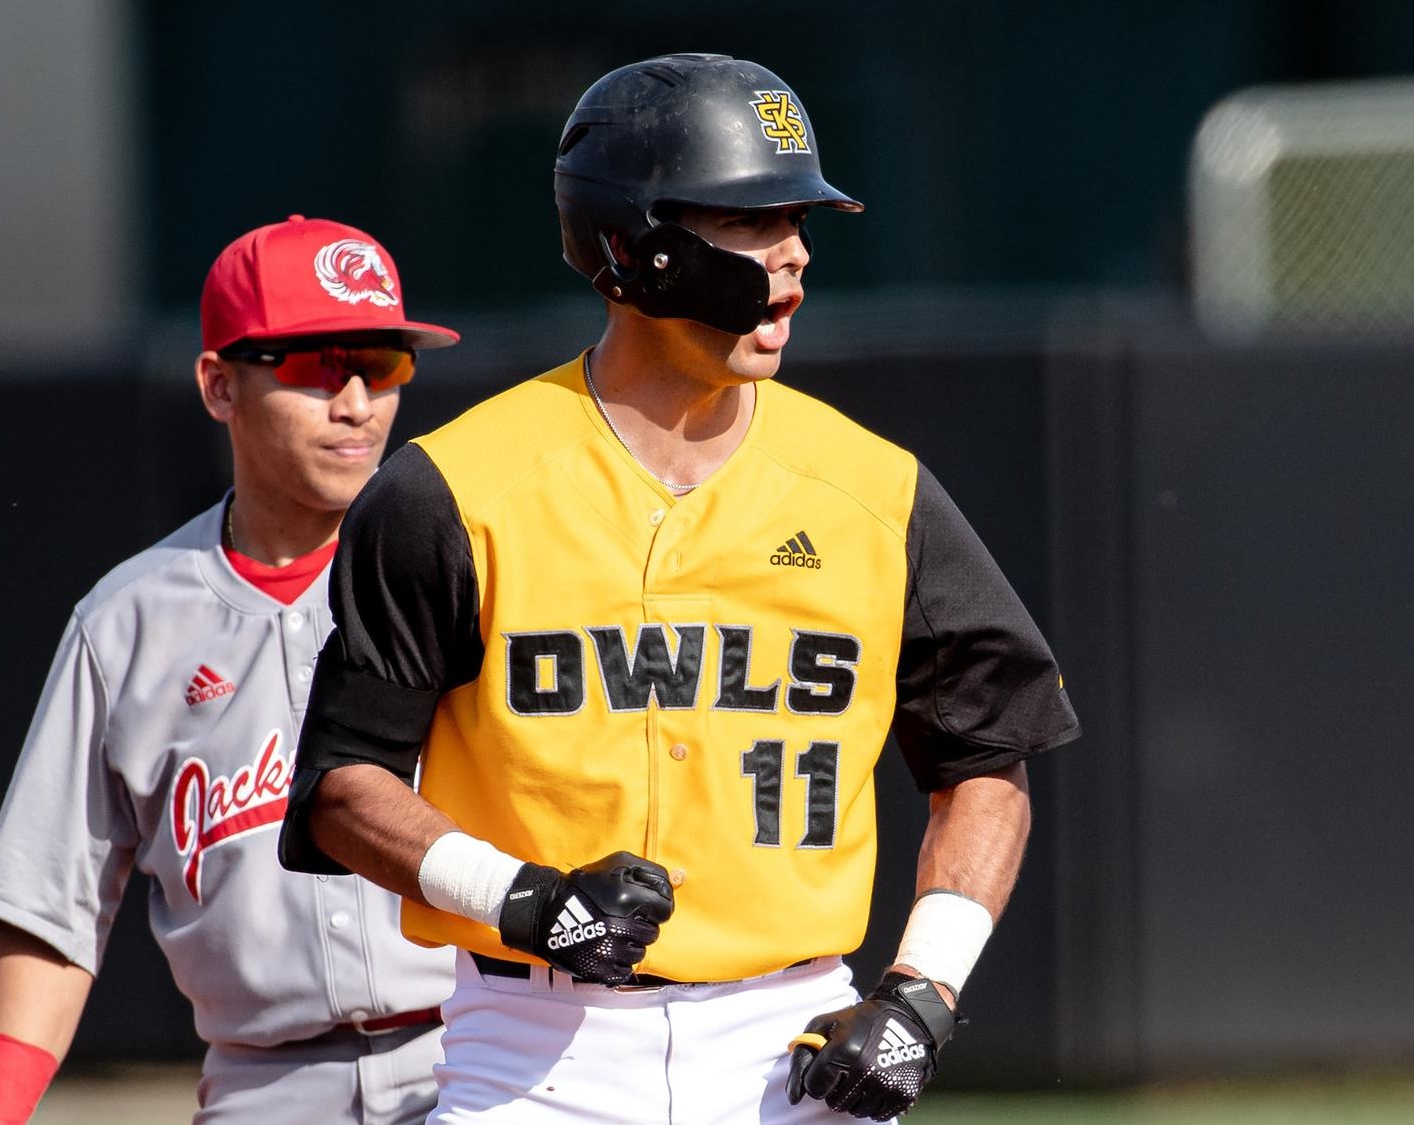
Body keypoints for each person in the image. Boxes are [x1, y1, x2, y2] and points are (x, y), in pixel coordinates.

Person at [279, 53, 1080, 1124]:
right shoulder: (454, 490)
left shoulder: (875, 491)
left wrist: (923, 992)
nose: (794, 253)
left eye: (798, 219)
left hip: (791, 1041)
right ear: (635, 247)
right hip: (533, 1052)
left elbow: (986, 760)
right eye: (753, 222)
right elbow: (344, 791)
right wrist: (524, 900)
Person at [0, 215, 462, 1125]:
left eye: (383, 364)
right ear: (219, 384)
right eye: (317, 365)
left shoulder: (466, 569)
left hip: (476, 1055)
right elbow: (47, 912)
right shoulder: (129, 618)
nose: (357, 401)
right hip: (264, 1084)